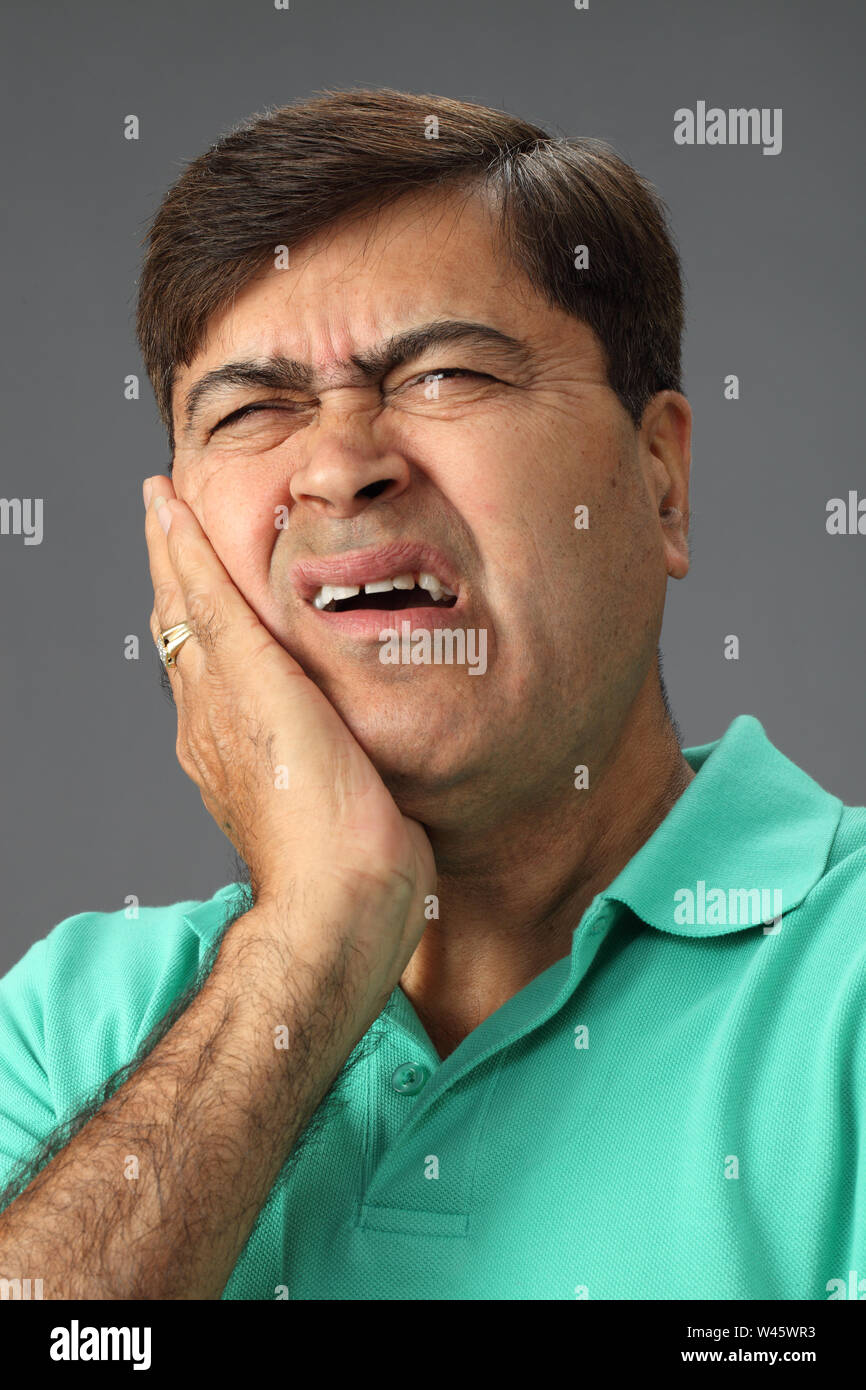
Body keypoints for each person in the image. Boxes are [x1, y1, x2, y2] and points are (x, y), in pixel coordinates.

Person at [0, 88, 863, 1301]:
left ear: (659, 478)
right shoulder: (69, 1025)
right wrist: (312, 938)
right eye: (252, 409)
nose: (343, 466)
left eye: (447, 375)